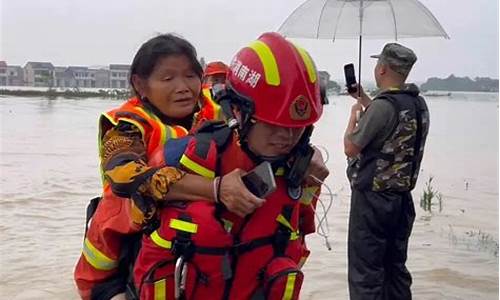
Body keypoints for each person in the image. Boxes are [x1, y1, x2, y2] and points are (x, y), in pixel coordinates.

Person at [132, 32, 327, 300]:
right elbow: (129, 199)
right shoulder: (184, 156)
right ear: (237, 111)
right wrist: (216, 188)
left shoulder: (302, 170)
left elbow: (297, 244)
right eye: (273, 124)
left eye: (297, 128)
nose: (286, 137)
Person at [73, 33, 264, 300]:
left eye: (190, 76)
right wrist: (216, 189)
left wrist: (301, 150)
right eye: (167, 78)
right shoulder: (126, 125)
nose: (183, 86)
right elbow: (126, 175)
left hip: (193, 241)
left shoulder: (216, 108)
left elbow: (263, 124)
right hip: (123, 251)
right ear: (140, 84)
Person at [343, 43, 430, 300]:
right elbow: (392, 123)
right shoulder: (417, 103)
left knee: (366, 275)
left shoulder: (382, 107)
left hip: (372, 202)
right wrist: (363, 99)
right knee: (395, 271)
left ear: (381, 69)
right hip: (401, 202)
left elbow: (351, 147)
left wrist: (353, 116)